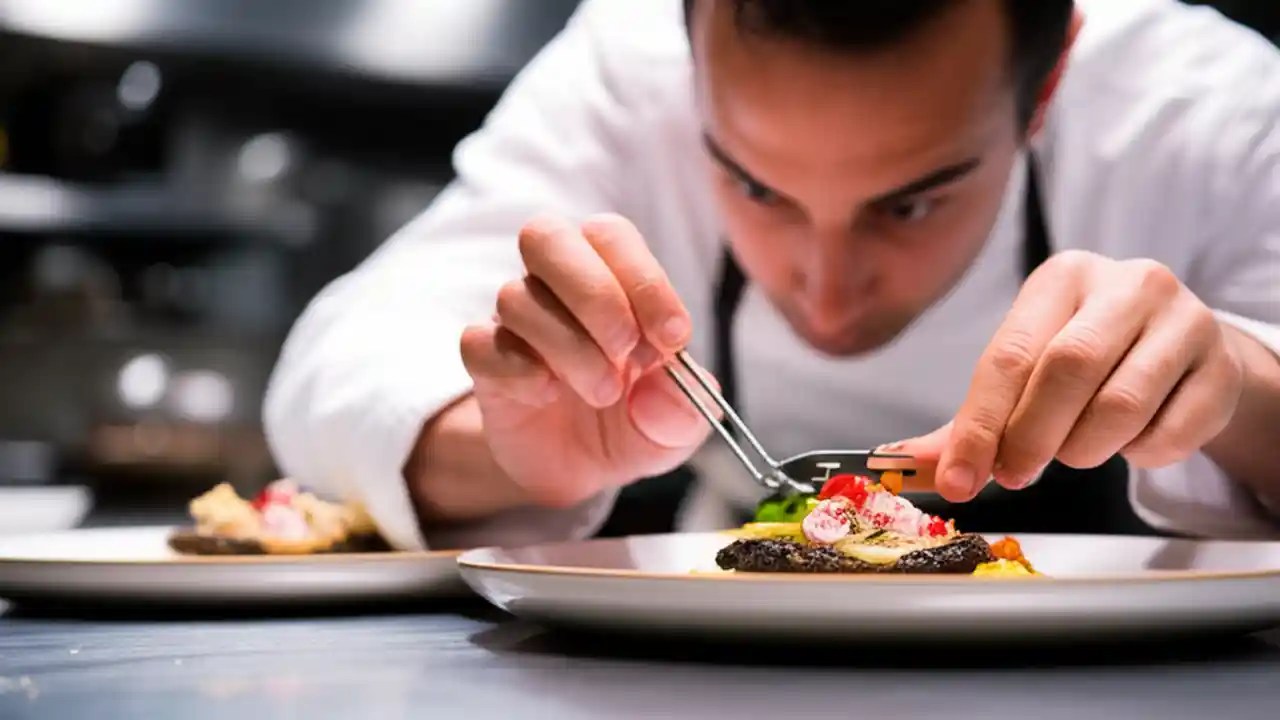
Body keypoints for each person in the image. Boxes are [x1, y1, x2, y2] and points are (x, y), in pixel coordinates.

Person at [262, 0, 1280, 551]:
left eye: (911, 204)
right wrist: (511, 448)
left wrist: (1240, 389)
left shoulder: (1206, 112)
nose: (824, 299)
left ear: (1049, 76)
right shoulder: (622, 76)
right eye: (753, 186)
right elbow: (334, 368)